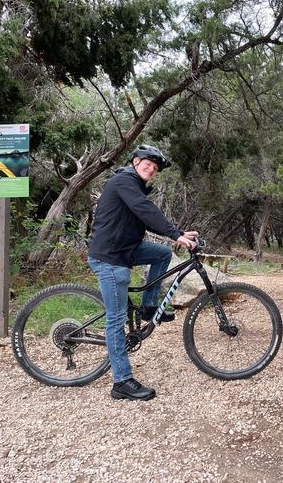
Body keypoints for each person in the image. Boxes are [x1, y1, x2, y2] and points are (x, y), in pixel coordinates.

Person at [87, 144, 197, 401]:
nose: (152, 170)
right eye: (148, 164)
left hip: (125, 249)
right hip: (110, 257)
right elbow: (145, 211)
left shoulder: (134, 185)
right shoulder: (124, 180)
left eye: (156, 168)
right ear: (136, 161)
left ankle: (148, 306)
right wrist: (176, 235)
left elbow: (145, 217)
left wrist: (176, 234)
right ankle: (121, 382)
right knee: (116, 321)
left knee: (161, 253)